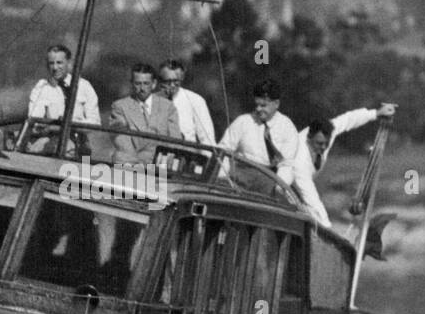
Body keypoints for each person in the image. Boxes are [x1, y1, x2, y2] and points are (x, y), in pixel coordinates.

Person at [217, 79, 332, 226]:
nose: (258, 109)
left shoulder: (287, 127)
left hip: (269, 181)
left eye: (263, 105)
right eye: (256, 105)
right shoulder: (243, 122)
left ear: (276, 104)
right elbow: (223, 149)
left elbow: (286, 164)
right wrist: (222, 175)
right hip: (239, 179)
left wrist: (279, 188)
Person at [298, 103, 397, 183]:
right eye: (319, 143)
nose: (324, 147)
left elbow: (348, 119)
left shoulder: (326, 131)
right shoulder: (297, 152)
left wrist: (377, 113)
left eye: (326, 143)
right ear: (309, 138)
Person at [109, 63, 182, 162]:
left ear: (154, 84)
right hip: (130, 161)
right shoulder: (120, 106)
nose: (142, 88)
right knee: (120, 157)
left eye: (146, 83)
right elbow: (120, 139)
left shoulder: (168, 107)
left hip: (159, 162)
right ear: (131, 84)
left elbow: (175, 139)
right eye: (138, 83)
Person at [27, 45, 100, 124]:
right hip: (53, 135)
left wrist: (72, 123)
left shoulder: (84, 86)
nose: (55, 68)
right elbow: (34, 120)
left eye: (59, 63)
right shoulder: (41, 87)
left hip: (79, 134)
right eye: (51, 63)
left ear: (69, 62)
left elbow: (95, 122)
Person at [156, 59, 216, 145]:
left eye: (176, 81)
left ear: (182, 78)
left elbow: (207, 139)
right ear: (160, 80)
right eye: (167, 81)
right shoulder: (151, 100)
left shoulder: (195, 100)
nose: (172, 85)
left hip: (185, 154)